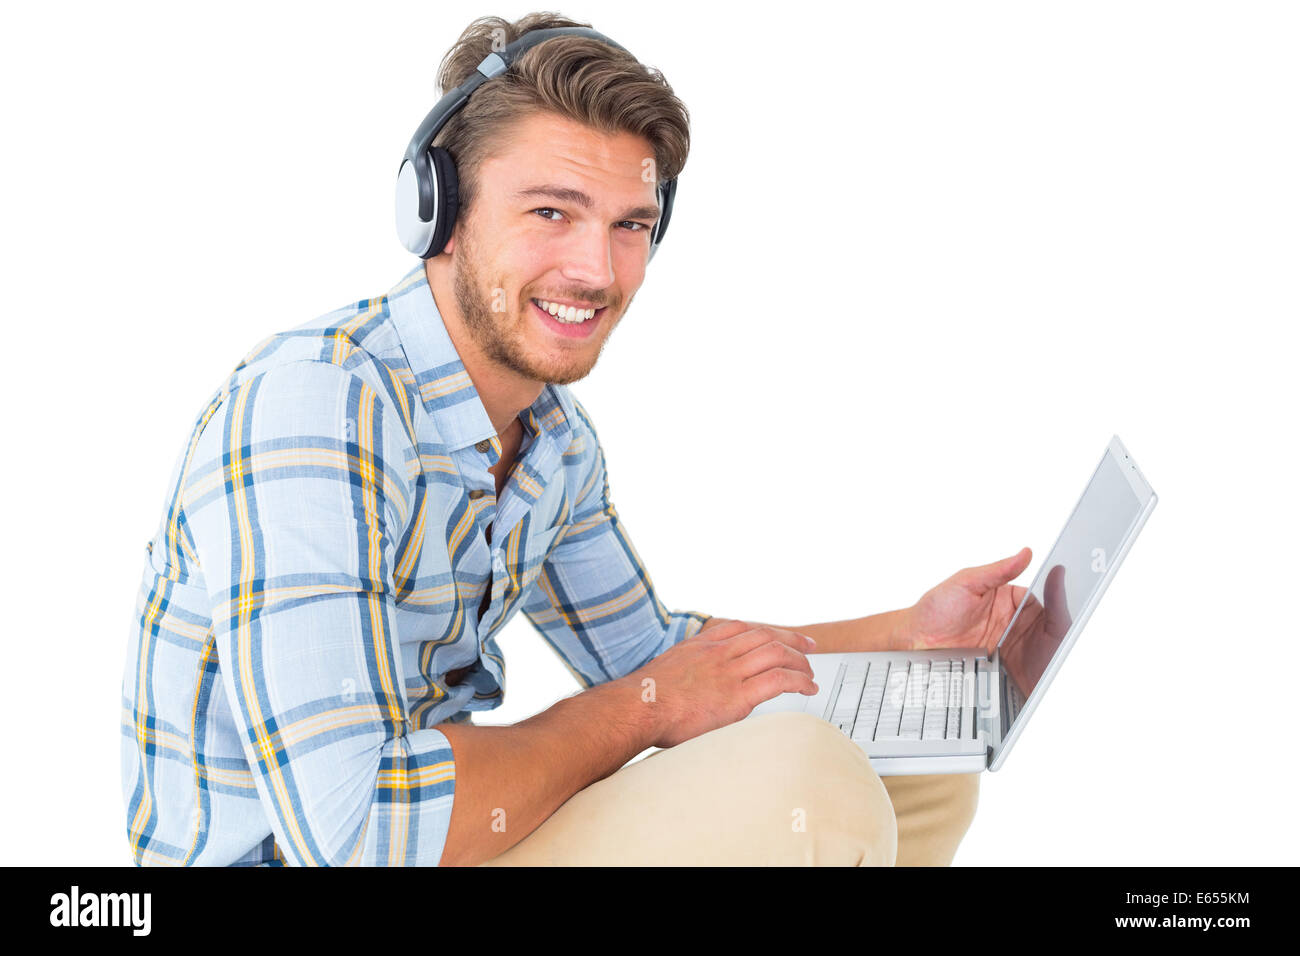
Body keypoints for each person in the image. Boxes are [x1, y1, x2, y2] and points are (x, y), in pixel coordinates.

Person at [120, 12, 1032, 867]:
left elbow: (660, 657)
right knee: (811, 781)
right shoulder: (315, 408)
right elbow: (358, 833)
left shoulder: (553, 438)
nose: (596, 270)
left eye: (629, 226)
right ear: (437, 210)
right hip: (354, 854)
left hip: (445, 839)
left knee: (916, 766)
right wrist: (642, 711)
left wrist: (907, 635)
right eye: (551, 212)